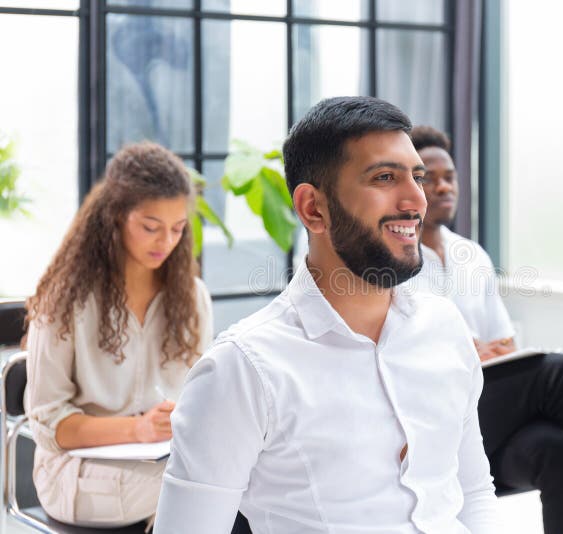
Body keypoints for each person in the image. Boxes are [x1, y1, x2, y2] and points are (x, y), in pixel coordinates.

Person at [154, 97, 499, 533]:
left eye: (417, 176)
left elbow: (472, 493)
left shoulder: (445, 327)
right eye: (385, 177)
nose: (416, 199)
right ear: (313, 209)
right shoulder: (241, 369)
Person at [408, 125, 563, 534]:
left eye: (449, 177)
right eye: (428, 178)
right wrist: (467, 351)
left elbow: (503, 342)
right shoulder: (391, 262)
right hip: (443, 415)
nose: (442, 187)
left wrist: (487, 350)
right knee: (560, 372)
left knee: (558, 448)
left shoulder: (471, 256)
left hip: (490, 418)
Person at [24, 141, 213, 528]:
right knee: (203, 486)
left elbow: (201, 393)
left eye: (178, 229)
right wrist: (137, 429)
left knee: (244, 472)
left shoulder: (192, 298)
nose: (166, 242)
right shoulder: (66, 301)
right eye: (150, 227)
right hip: (74, 472)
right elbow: (48, 426)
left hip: (164, 461)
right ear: (115, 216)